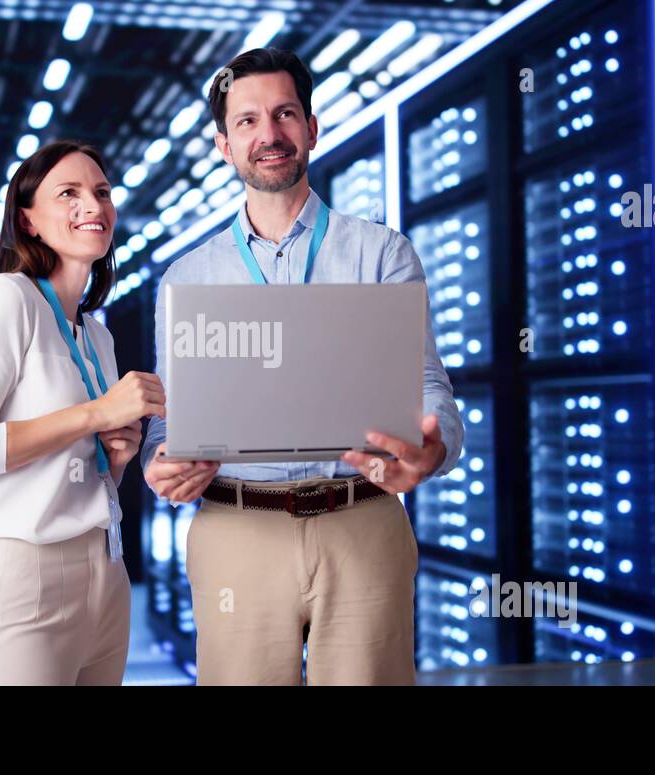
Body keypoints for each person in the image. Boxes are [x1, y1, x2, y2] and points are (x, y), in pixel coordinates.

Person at [140, 48, 464, 685]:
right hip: (238, 529)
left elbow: (427, 383)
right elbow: (169, 417)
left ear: (311, 128)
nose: (269, 134)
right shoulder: (189, 277)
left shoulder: (381, 252)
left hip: (362, 522)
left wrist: (435, 447)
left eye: (285, 114)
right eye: (248, 121)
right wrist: (161, 464)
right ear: (224, 145)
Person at [0, 140, 165, 685]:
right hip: (23, 581)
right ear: (28, 221)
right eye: (70, 193)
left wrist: (117, 459)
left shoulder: (96, 335)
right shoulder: (4, 299)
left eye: (102, 192)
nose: (94, 205)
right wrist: (93, 415)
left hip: (106, 576)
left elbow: (75, 473)